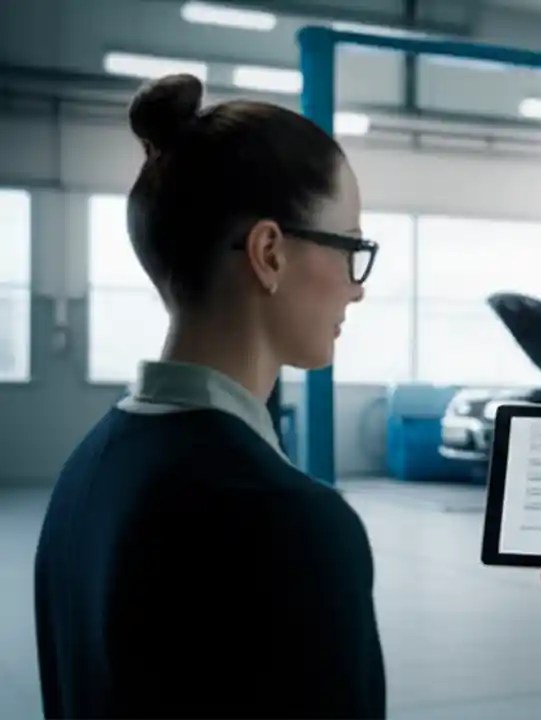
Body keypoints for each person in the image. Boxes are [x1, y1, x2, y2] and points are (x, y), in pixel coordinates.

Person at [33, 74, 386, 719]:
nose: (356, 288)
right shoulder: (292, 523)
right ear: (269, 253)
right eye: (351, 248)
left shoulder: (89, 469)